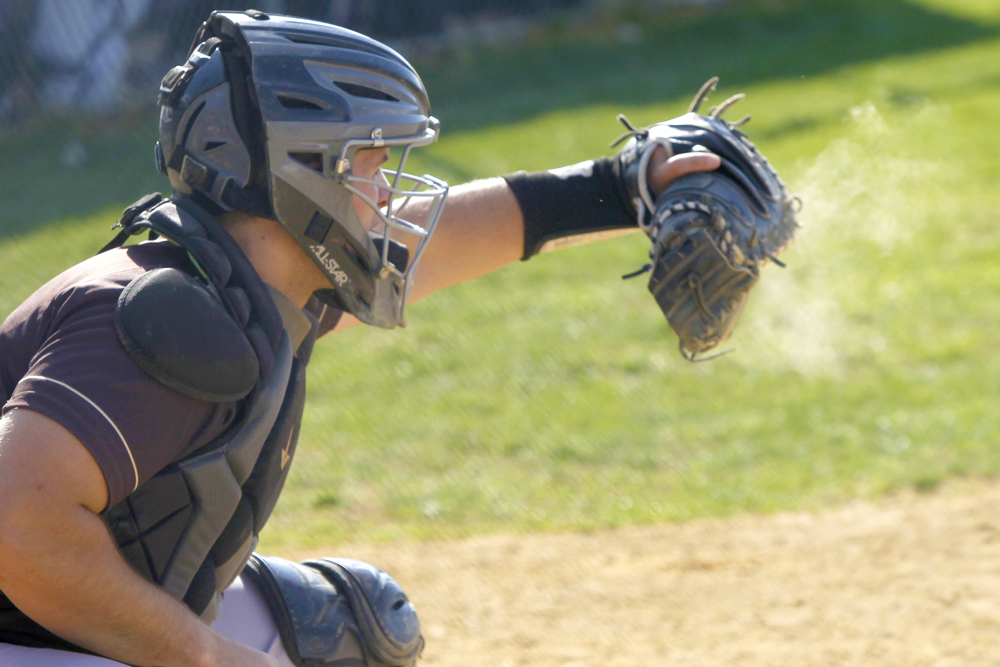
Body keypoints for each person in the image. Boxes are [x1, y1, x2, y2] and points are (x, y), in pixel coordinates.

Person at [0, 10, 720, 667]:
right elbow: (15, 523)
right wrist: (204, 656)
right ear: (301, 175)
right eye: (373, 164)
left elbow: (436, 246)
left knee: (352, 630)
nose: (389, 195)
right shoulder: (160, 319)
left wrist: (618, 189)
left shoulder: (250, 280)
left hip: (40, 622)